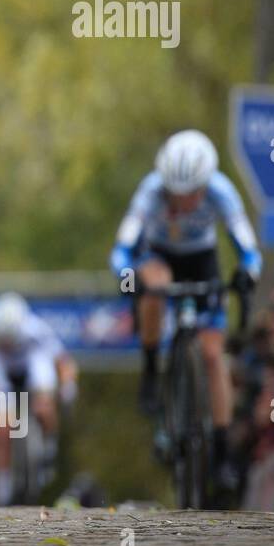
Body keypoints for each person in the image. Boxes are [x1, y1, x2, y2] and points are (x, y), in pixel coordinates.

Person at [109, 129, 262, 493]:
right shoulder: (150, 191)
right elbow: (121, 249)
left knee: (213, 356)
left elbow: (248, 249)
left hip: (201, 262)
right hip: (159, 256)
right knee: (155, 283)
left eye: (190, 193)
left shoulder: (222, 192)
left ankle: (222, 452)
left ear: (205, 184)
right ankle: (150, 368)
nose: (181, 201)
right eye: (174, 193)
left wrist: (246, 275)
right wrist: (127, 276)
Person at [0, 293, 66, 506]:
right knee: (2, 429)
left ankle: (49, 446)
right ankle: (1, 495)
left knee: (43, 405)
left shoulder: (36, 330)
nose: (7, 344)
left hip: (33, 361)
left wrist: (67, 386)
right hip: (1, 368)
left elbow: (62, 362)